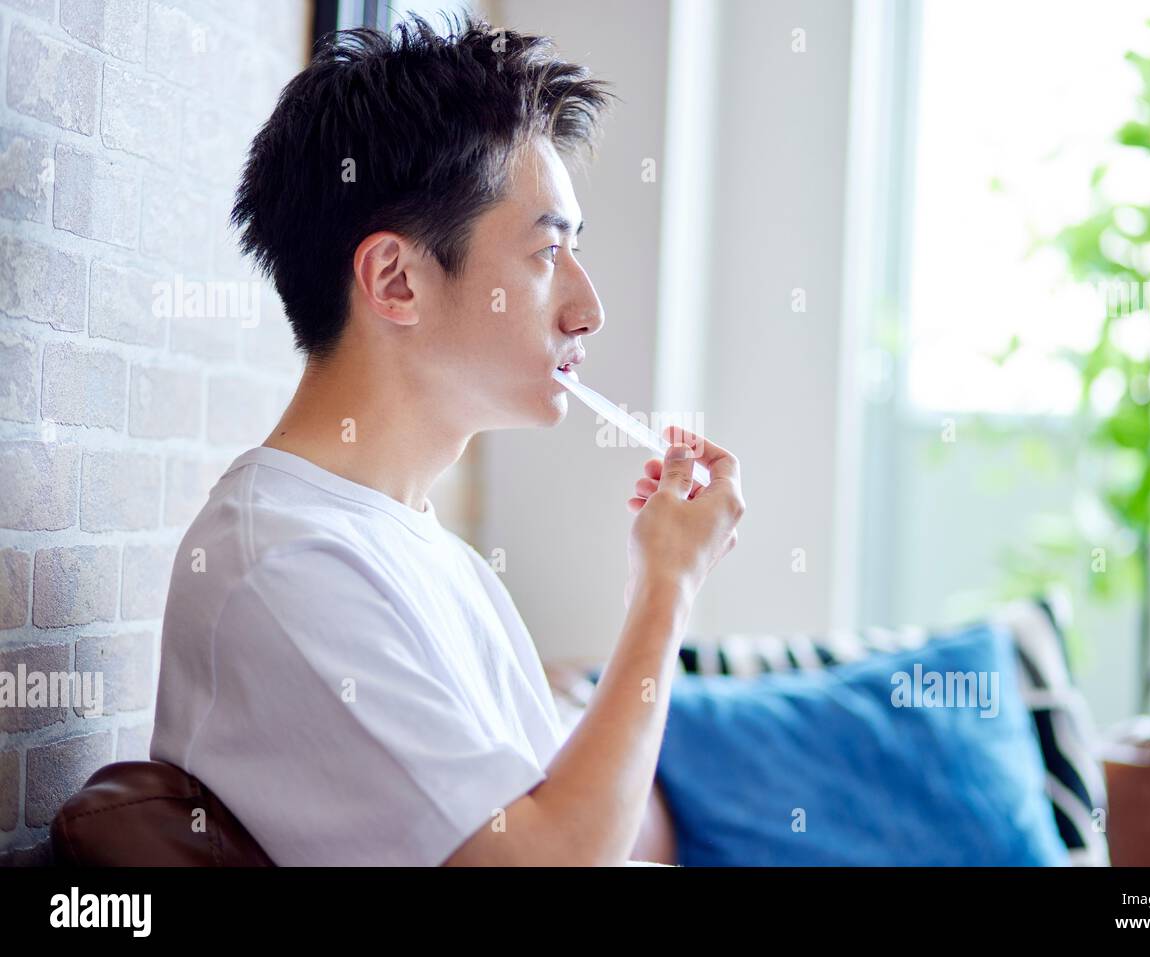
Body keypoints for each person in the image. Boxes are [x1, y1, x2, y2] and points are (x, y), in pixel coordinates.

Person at [149, 13, 745, 866]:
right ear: (395, 279)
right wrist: (666, 589)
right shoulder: (287, 562)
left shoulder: (436, 558)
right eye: (548, 252)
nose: (589, 308)